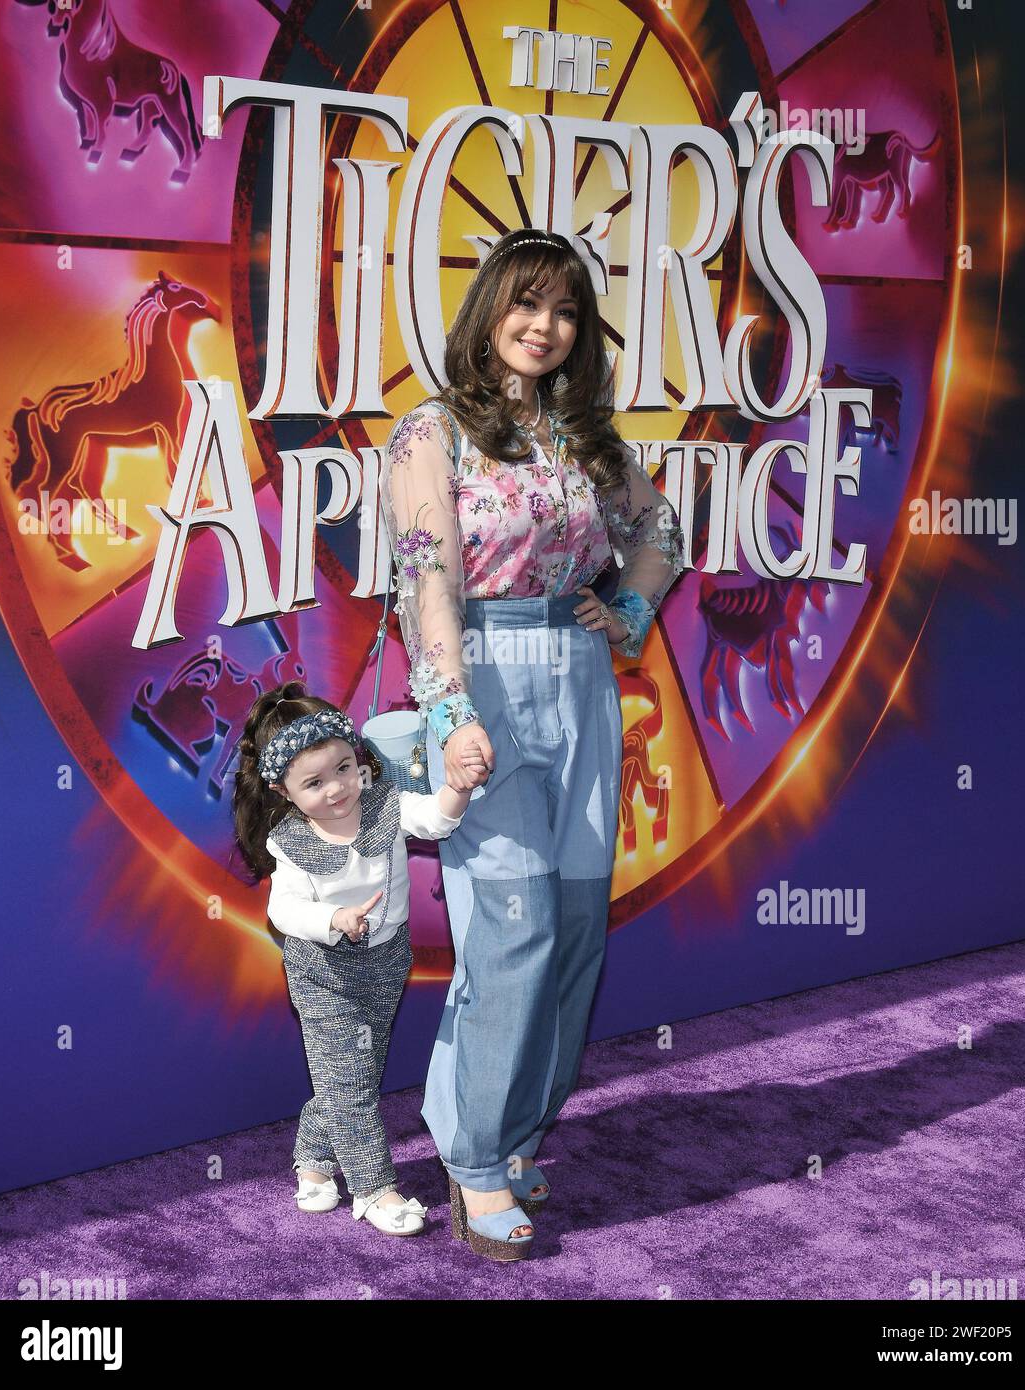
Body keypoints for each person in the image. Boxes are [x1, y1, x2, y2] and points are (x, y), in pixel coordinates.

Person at [379, 228, 686, 1260]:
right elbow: (430, 577)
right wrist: (450, 712)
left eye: (562, 309)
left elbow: (659, 531)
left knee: (568, 929)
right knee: (505, 933)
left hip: (582, 685)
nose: (543, 326)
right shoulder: (431, 431)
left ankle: (513, 1132)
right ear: (488, 311)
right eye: (525, 303)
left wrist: (629, 611)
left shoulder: (589, 439)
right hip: (483, 687)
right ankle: (469, 1159)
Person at [231, 680, 483, 1236]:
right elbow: (283, 911)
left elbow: (436, 819)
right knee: (348, 1082)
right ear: (282, 791)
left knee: (355, 1074)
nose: (338, 789)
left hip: (387, 961)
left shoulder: (385, 805)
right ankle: (374, 1189)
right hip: (322, 976)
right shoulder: (290, 843)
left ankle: (315, 1160)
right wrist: (332, 921)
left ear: (359, 757)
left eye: (344, 768)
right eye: (314, 783)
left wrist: (458, 788)